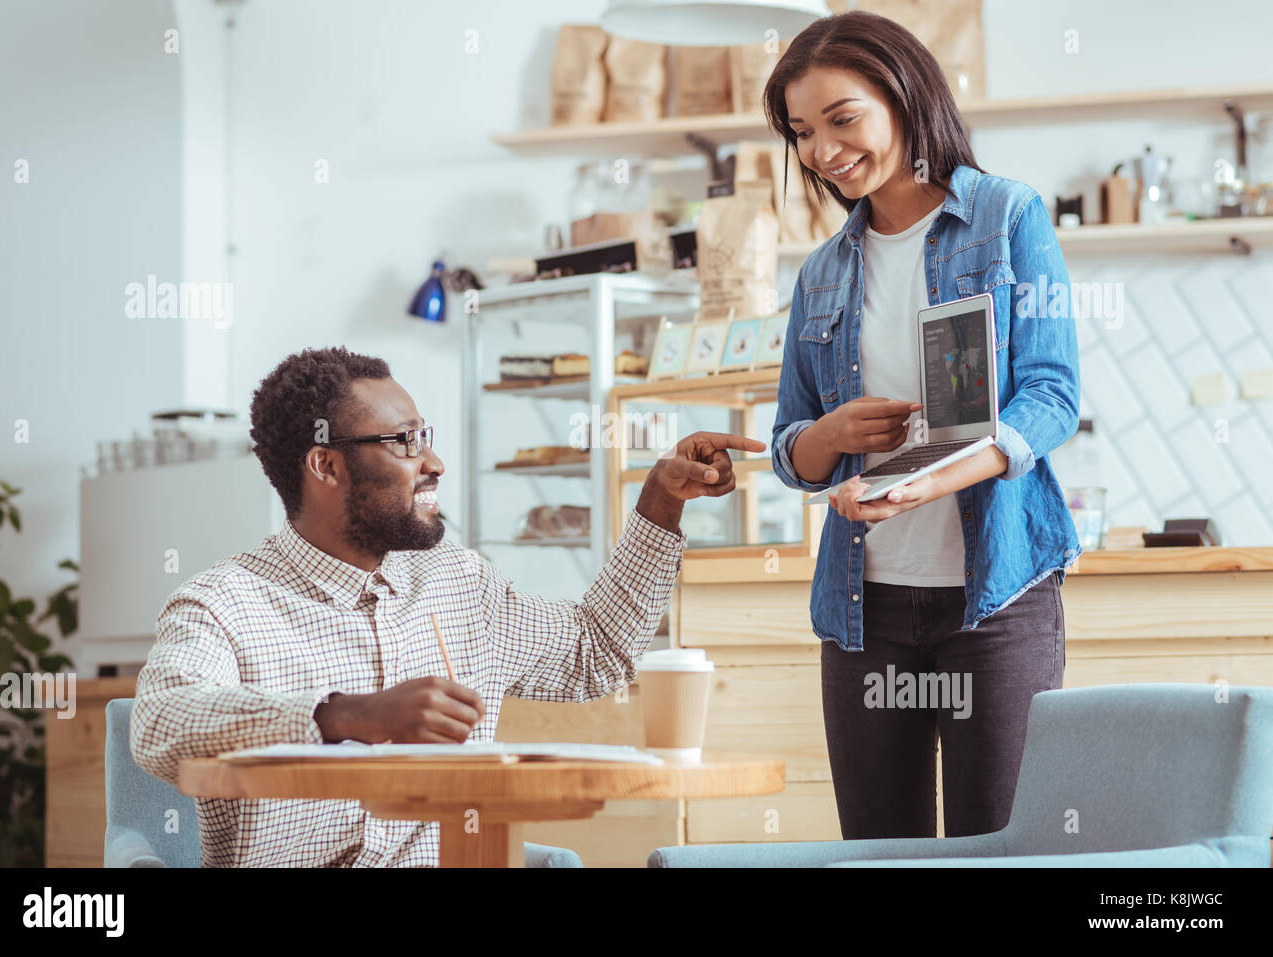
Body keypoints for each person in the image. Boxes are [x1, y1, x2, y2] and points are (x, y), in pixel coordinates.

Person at [131, 345, 764, 866]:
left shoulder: (457, 582)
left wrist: (660, 504)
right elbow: (160, 723)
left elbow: (593, 652)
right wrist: (348, 716)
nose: (433, 462)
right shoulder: (224, 604)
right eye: (404, 442)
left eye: (425, 436)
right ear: (326, 465)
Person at [764, 12, 1081, 840]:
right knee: (877, 852)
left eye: (843, 118)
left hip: (996, 599)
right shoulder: (824, 272)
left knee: (1000, 848)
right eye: (802, 132)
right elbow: (791, 449)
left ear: (905, 98)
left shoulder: (1009, 219)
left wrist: (932, 478)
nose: (822, 151)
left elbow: (1050, 397)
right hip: (865, 608)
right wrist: (832, 433)